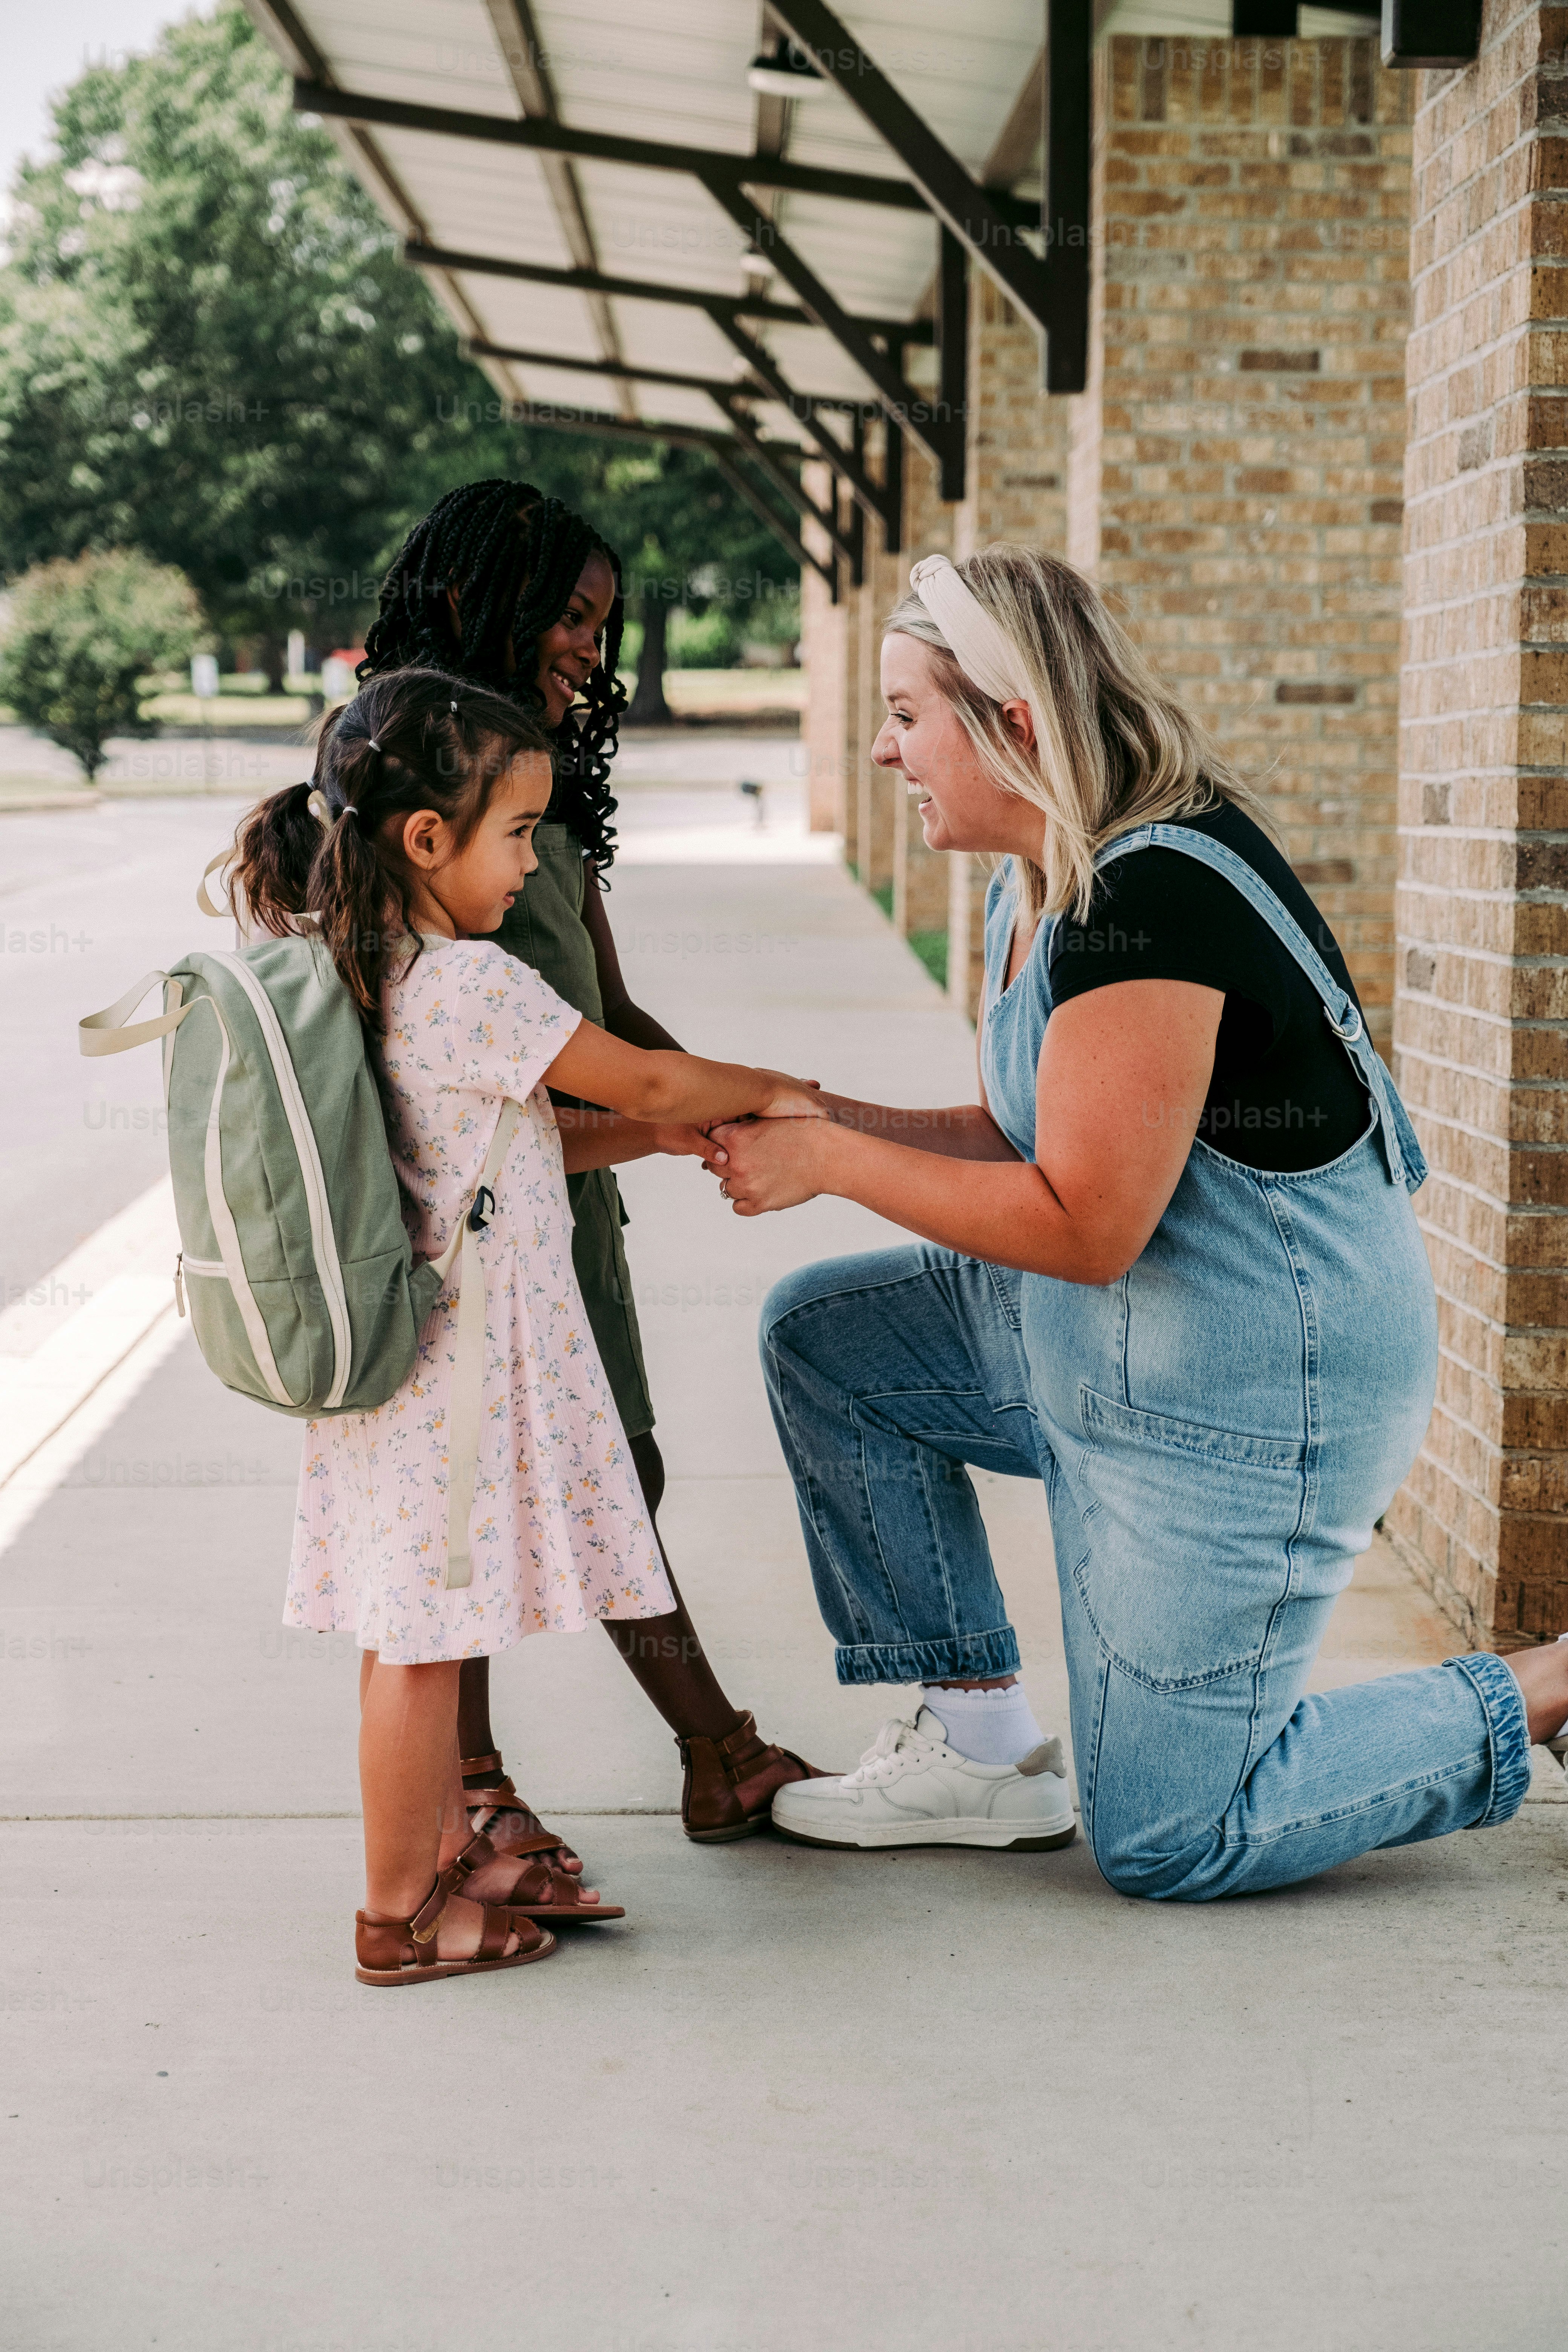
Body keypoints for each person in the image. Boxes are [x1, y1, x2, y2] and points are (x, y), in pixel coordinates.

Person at [703, 545, 1568, 1899]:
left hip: (1251, 1396)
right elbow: (1030, 1141)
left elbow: (1089, 1220)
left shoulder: (1147, 896)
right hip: (1119, 1344)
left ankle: (1547, 1686)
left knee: (1177, 1835)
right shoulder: (1042, 872)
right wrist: (819, 1117)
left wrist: (831, 1161)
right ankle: (980, 1751)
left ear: (1017, 724)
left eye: (906, 713)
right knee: (831, 1340)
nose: (882, 750)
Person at [228, 666, 827, 1981]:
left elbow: (512, 1136)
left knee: (426, 1628)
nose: (530, 864)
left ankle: (447, 1855)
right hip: (453, 1382)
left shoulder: (372, 963)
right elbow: (646, 1067)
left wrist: (663, 1136)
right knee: (424, 1642)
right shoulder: (472, 986)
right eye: (516, 835)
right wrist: (779, 1090)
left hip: (411, 1371)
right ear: (426, 839)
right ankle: (402, 1918)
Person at [359, 481, 824, 1860]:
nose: (588, 647)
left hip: (574, 1198)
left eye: (601, 624)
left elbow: (618, 1026)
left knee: (619, 1468)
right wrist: (732, 1103)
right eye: (569, 616)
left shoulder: (540, 803)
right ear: (470, 603)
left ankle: (692, 1760)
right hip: (471, 1216)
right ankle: (527, 1780)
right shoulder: (402, 794)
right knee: (486, 1496)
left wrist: (730, 1110)